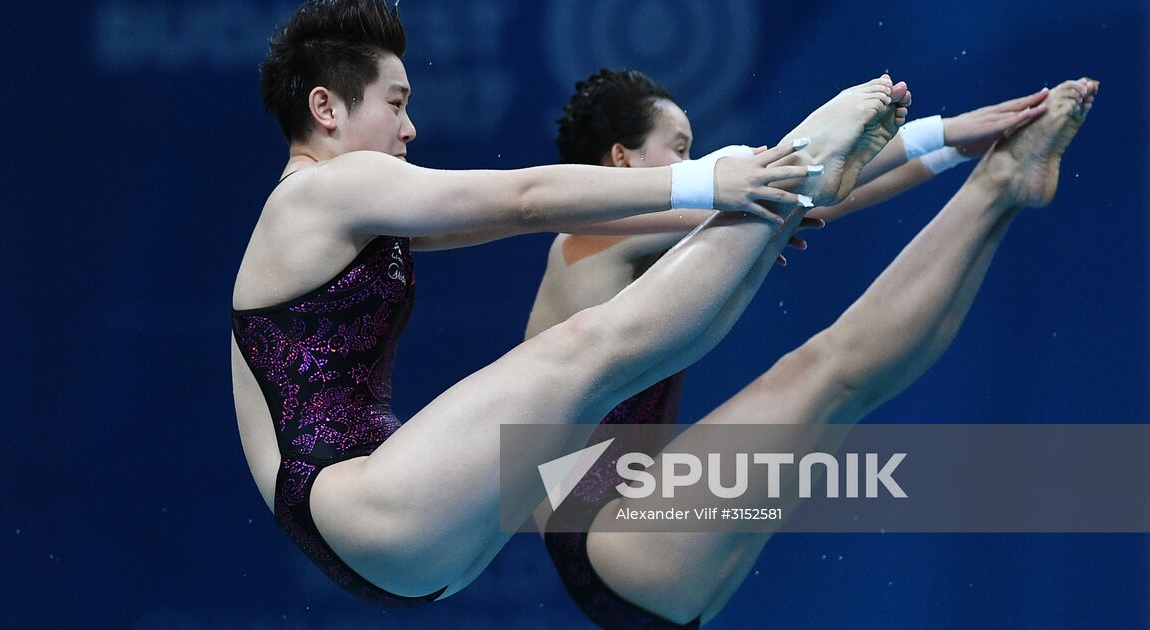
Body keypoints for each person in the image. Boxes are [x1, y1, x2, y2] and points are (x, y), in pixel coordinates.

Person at [230, 0, 907, 605]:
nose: (409, 129)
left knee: (617, 370)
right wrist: (708, 180)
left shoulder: (347, 214)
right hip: (363, 504)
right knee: (587, 346)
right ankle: (800, 170)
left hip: (400, 538)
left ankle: (788, 195)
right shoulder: (322, 190)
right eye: (396, 103)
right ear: (326, 109)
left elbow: (549, 214)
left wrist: (734, 194)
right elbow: (525, 199)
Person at [526, 69, 1095, 627]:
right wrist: (943, 131)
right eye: (679, 149)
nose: (695, 164)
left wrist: (953, 144)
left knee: (851, 385)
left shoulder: (651, 234)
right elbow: (790, 178)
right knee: (828, 369)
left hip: (636, 550)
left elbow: (825, 194)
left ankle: (1000, 189)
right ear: (621, 159)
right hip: (604, 530)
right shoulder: (582, 238)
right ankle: (998, 184)